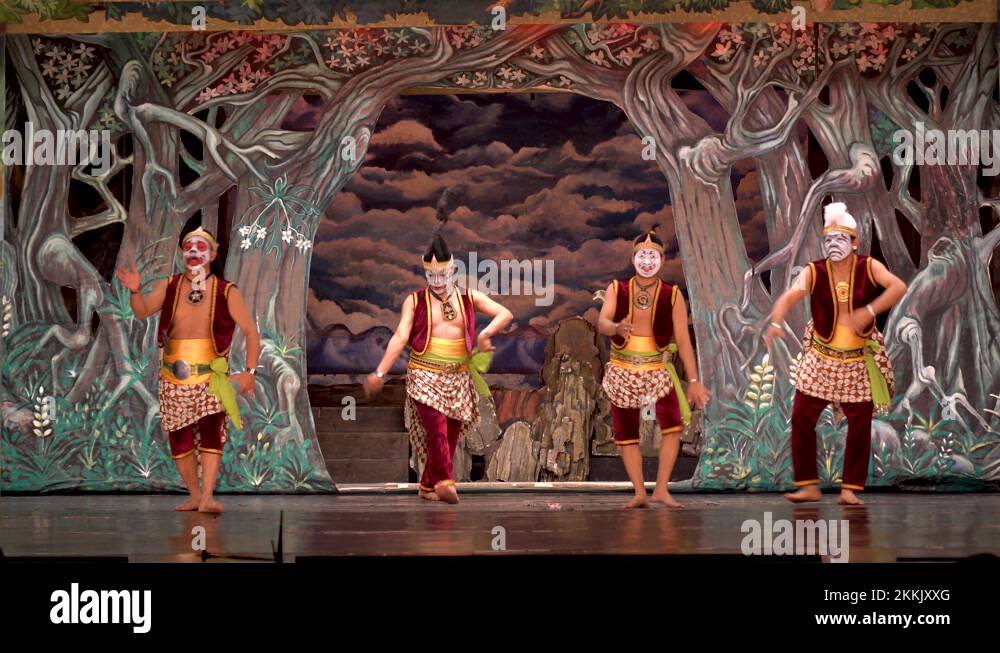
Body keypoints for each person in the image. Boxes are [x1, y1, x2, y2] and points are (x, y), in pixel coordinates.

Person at [363, 194, 513, 504]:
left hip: (458, 377)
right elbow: (400, 337)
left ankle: (428, 485)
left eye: (441, 275)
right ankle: (445, 480)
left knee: (453, 434)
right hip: (424, 376)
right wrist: (380, 372)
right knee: (438, 432)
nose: (436, 280)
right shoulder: (415, 301)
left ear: (452, 271)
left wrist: (485, 334)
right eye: (430, 275)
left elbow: (505, 314)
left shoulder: (468, 298)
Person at [765, 202, 906, 505]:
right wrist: (775, 323)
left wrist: (868, 311)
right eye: (828, 239)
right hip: (821, 358)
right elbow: (788, 296)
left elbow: (898, 287)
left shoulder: (869, 267)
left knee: (860, 424)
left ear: (855, 242)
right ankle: (808, 485)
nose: (833, 245)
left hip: (856, 360)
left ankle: (850, 490)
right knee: (802, 417)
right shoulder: (815, 271)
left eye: (840, 239)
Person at [116, 226, 260, 513]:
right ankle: (194, 495)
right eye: (188, 246)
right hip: (173, 377)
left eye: (200, 246)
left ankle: (207, 496)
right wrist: (134, 290)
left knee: (210, 434)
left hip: (211, 375)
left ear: (213, 254)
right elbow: (142, 311)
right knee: (179, 437)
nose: (193, 251)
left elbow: (250, 331)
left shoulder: (226, 291)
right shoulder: (169, 285)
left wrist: (249, 372)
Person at [597, 225, 711, 509]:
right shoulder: (616, 288)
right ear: (633, 258)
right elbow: (602, 323)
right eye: (642, 256)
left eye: (653, 257)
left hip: (657, 371)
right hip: (623, 369)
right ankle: (639, 492)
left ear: (662, 260)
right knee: (626, 433)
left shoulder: (672, 295)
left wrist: (694, 381)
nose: (647, 262)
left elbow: (684, 341)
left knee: (672, 427)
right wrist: (616, 327)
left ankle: (661, 489)